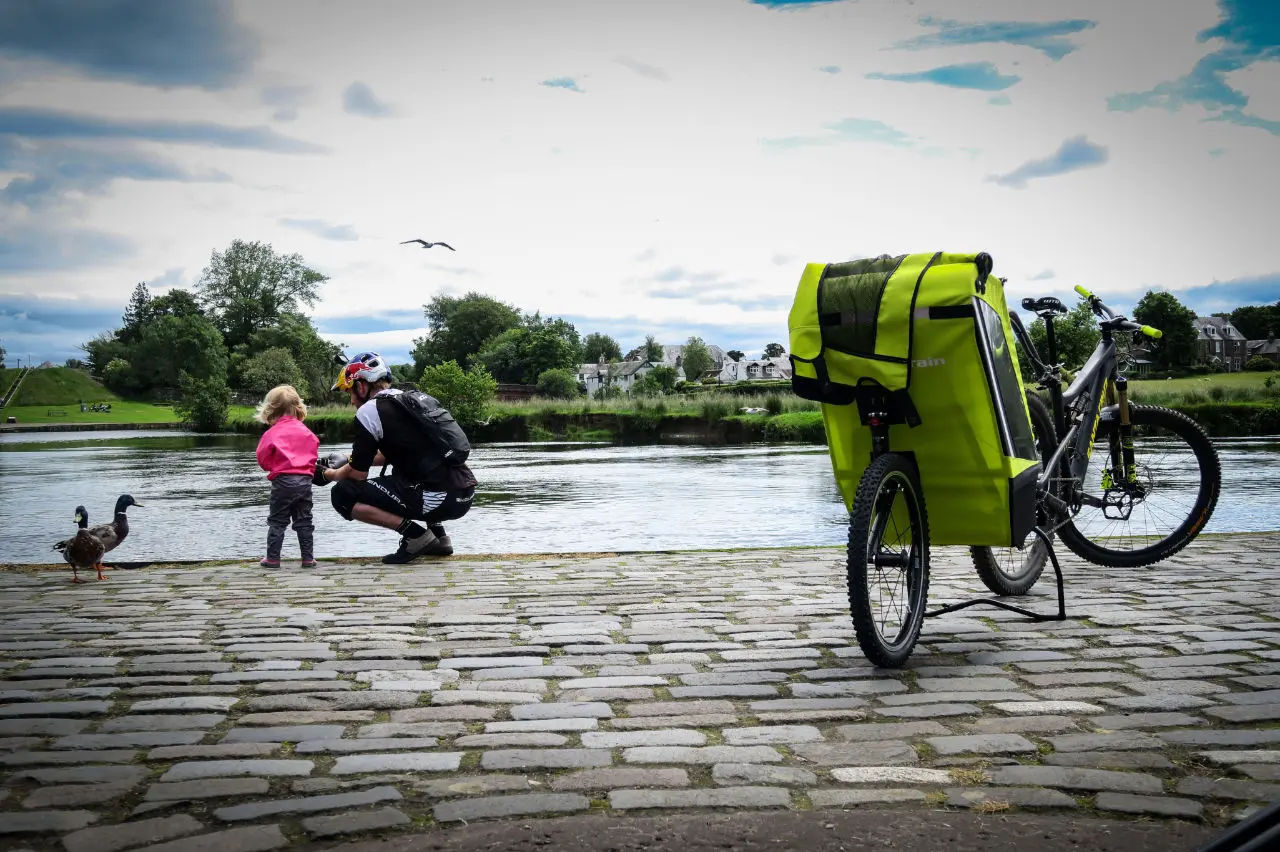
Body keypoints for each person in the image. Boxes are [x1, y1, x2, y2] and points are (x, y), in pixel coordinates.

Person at [316, 352, 477, 563]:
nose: (351, 400)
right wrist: (347, 458)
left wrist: (328, 474)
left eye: (350, 393)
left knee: (342, 494)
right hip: (463, 494)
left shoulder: (369, 411)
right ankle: (440, 538)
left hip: (436, 499)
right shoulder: (409, 400)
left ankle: (416, 536)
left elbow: (357, 475)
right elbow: (396, 453)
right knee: (412, 471)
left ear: (361, 387)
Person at [254, 384, 319, 568]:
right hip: (305, 482)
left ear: (271, 409)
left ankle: (273, 559)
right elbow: (314, 451)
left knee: (277, 521)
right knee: (304, 520)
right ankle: (308, 558)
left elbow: (262, 457)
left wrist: (273, 466)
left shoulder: (271, 433)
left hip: (282, 482)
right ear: (298, 407)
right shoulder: (306, 432)